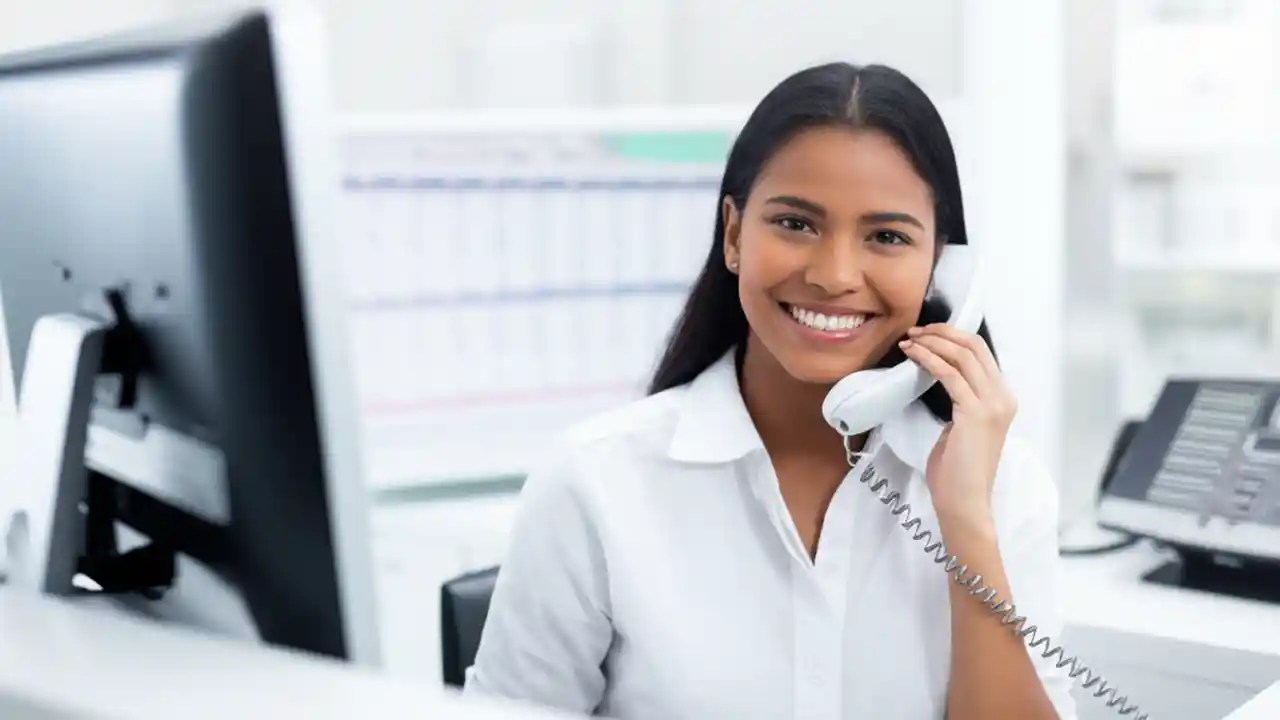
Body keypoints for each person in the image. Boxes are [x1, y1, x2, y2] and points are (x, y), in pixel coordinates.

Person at [465, 63, 1076, 719]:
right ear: (734, 235)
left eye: (887, 237)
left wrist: (966, 522)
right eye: (796, 224)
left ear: (940, 266)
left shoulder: (1002, 486)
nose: (835, 275)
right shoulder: (597, 481)